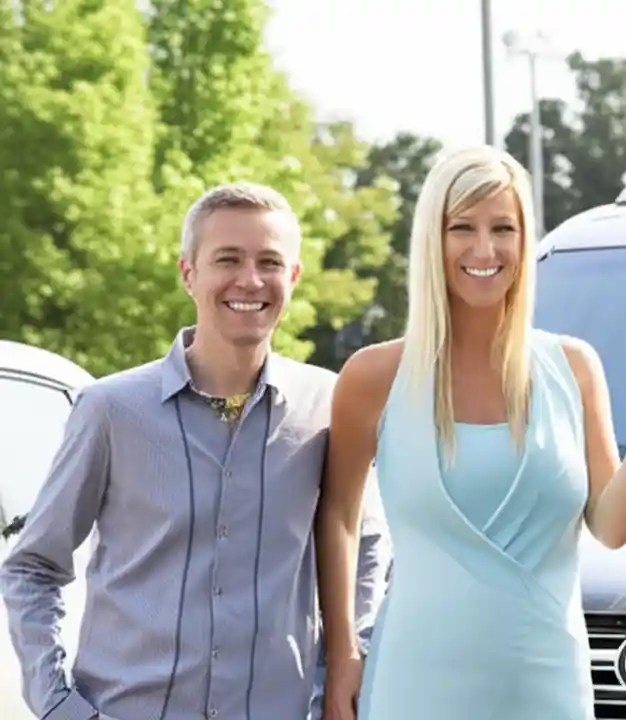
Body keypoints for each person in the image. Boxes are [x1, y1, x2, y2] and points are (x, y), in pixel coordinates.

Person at [0, 182, 392, 720]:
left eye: (270, 262)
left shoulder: (326, 406)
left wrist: (342, 672)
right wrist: (59, 707)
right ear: (189, 273)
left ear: (293, 277)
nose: (250, 280)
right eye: (227, 259)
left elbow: (365, 547)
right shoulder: (110, 411)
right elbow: (32, 568)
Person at [316, 145, 626, 720]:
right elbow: (338, 516)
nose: (484, 249)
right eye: (462, 227)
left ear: (524, 239)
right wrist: (342, 655)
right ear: (432, 240)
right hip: (417, 680)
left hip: (546, 682)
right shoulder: (373, 376)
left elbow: (612, 526)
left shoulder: (575, 368)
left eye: (503, 228)